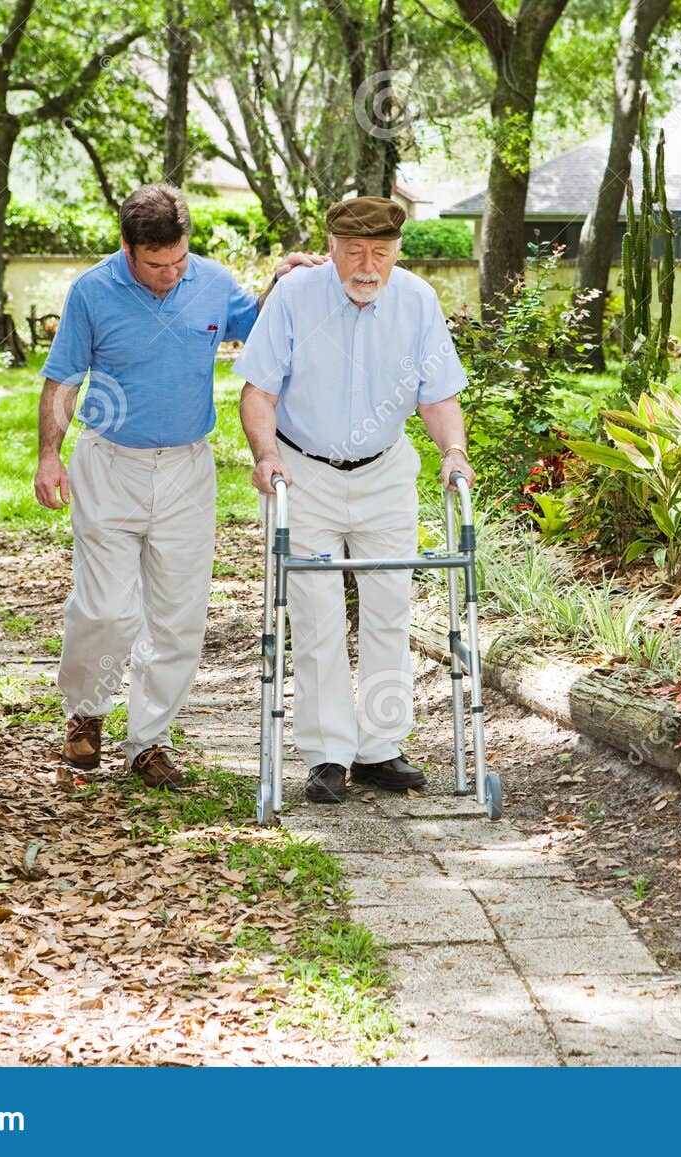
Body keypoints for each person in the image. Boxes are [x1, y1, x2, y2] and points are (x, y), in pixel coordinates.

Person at [35, 183, 312, 789]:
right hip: (110, 464)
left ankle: (150, 741)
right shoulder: (92, 291)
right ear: (127, 249)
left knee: (179, 617)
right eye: (156, 264)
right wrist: (49, 457)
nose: (170, 273)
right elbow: (62, 381)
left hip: (188, 467)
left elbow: (259, 323)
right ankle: (85, 711)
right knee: (107, 609)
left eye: (179, 260)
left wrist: (284, 280)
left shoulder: (210, 281)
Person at [235, 196, 474, 804]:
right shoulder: (294, 297)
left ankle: (379, 746)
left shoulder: (417, 300)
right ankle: (327, 753)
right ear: (332, 248)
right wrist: (267, 456)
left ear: (397, 251)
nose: (368, 266)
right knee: (315, 613)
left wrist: (453, 450)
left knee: (390, 604)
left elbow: (438, 395)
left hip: (385, 473)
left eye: (382, 253)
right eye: (356, 252)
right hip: (304, 471)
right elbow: (257, 392)